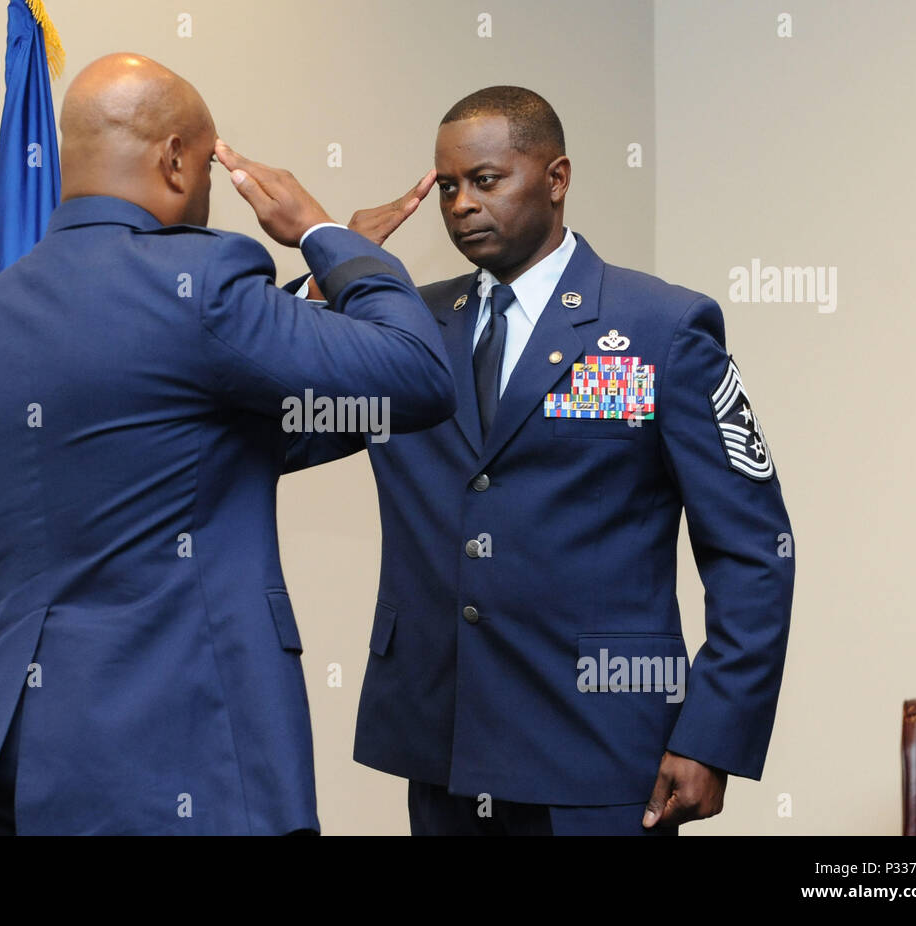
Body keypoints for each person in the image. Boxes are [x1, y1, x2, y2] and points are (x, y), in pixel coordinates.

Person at [0, 53, 454, 835]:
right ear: (177, 158)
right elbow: (419, 375)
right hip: (198, 764)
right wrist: (328, 239)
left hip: (12, 778)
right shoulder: (204, 283)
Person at [285, 86, 794, 835]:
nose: (461, 205)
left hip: (602, 752)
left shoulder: (662, 327)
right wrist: (332, 278)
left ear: (555, 179)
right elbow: (280, 426)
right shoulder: (406, 328)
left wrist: (712, 734)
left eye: (486, 181)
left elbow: (754, 549)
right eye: (449, 187)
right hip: (444, 744)